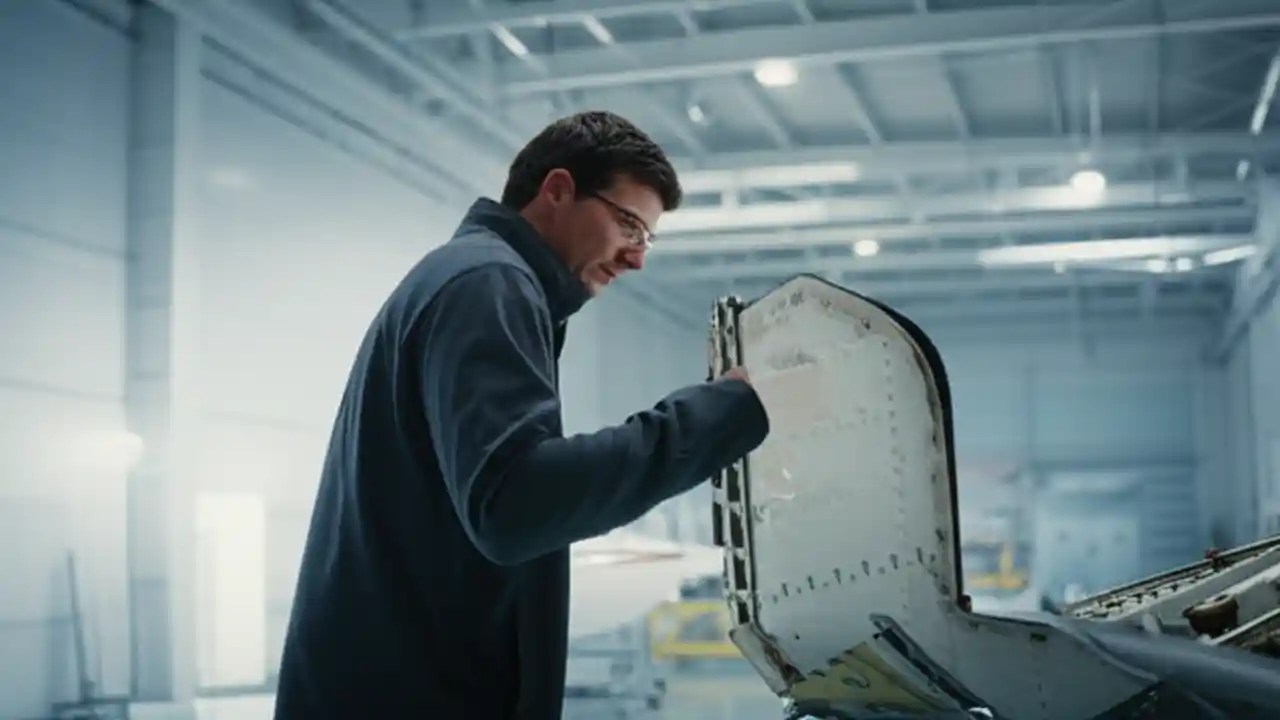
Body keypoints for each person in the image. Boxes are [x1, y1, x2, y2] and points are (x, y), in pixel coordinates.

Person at [272, 110, 770, 719]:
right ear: (557, 190)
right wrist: (714, 416)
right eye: (627, 225)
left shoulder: (474, 279)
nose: (636, 258)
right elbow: (515, 502)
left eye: (646, 237)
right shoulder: (487, 283)